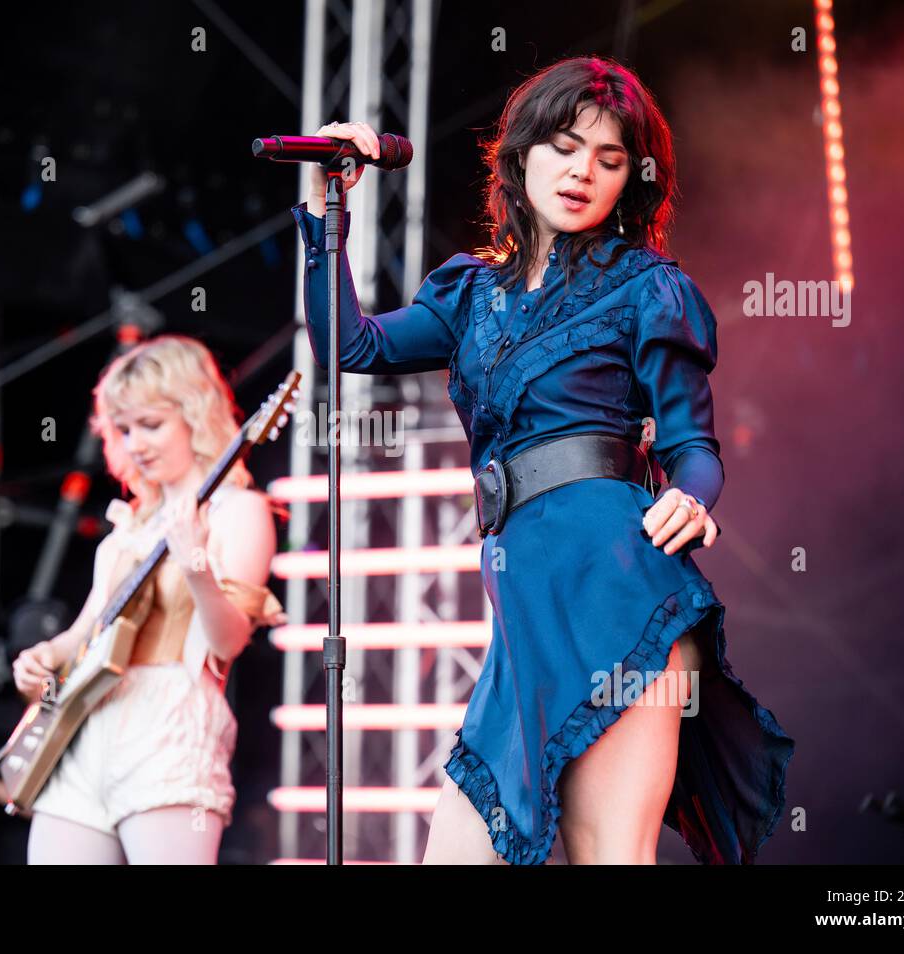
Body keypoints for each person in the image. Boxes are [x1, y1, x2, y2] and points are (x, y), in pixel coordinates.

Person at [292, 56, 794, 865]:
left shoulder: (647, 289)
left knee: (610, 859)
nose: (581, 172)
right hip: (523, 608)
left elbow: (692, 447)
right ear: (521, 153)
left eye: (609, 158)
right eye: (564, 147)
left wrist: (694, 498)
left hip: (619, 592)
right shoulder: (470, 293)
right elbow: (352, 343)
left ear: (632, 178)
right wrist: (327, 210)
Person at [13, 334, 286, 864]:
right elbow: (85, 633)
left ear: (194, 414)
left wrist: (195, 563)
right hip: (87, 726)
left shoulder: (239, 510)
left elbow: (228, 643)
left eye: (152, 424)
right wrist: (45, 657)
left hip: (171, 728)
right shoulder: (128, 526)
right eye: (124, 428)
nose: (136, 443)